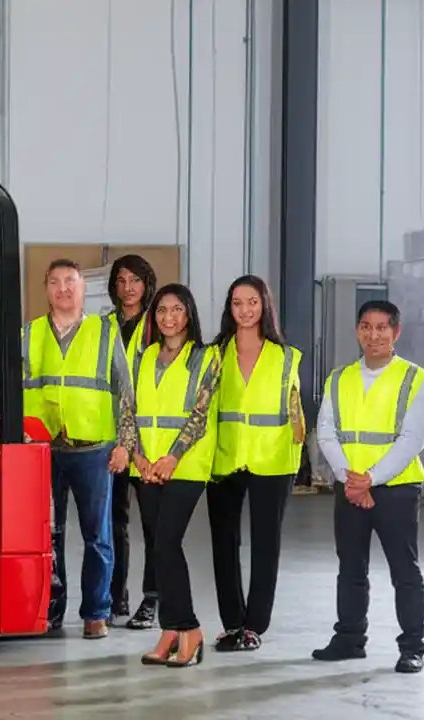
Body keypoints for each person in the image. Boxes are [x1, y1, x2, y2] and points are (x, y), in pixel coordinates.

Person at [312, 300, 424, 674]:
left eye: (382, 327)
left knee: (404, 571)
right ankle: (349, 639)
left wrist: (369, 480)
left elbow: (414, 439)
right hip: (350, 487)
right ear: (357, 331)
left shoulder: (415, 379)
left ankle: (412, 647)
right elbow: (327, 433)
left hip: (396, 489)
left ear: (396, 332)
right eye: (366, 326)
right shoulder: (339, 378)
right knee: (350, 567)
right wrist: (352, 479)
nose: (373, 334)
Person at [23, 258, 137, 639]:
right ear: (46, 290)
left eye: (70, 281)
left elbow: (125, 393)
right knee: (46, 535)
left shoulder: (105, 332)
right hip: (44, 450)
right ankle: (50, 611)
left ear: (83, 289)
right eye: (54, 282)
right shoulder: (31, 333)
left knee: (98, 535)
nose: (63, 289)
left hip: (94, 449)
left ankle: (96, 612)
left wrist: (125, 443)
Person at [207, 275, 304, 652]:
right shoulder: (215, 354)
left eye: (252, 302)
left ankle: (255, 626)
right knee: (223, 543)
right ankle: (232, 623)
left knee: (266, 545)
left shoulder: (287, 356)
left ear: (265, 305)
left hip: (272, 461)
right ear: (229, 309)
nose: (245, 310)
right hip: (224, 459)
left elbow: (295, 416)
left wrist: (294, 464)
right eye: (237, 303)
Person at [130, 284, 219, 668]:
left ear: (189, 314)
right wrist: (137, 454)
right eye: (162, 310)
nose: (169, 317)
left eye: (177, 309)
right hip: (146, 466)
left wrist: (172, 457)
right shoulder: (145, 356)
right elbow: (127, 407)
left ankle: (189, 628)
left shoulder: (206, 357)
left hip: (185, 466)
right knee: (157, 548)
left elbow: (199, 415)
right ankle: (169, 632)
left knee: (167, 543)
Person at [104, 254, 159, 628]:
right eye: (121, 280)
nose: (128, 288)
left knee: (154, 525)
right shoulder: (102, 327)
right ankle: (115, 595)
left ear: (147, 283)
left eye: (135, 280)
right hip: (112, 439)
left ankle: (151, 600)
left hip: (149, 442)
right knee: (113, 522)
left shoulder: (158, 325)